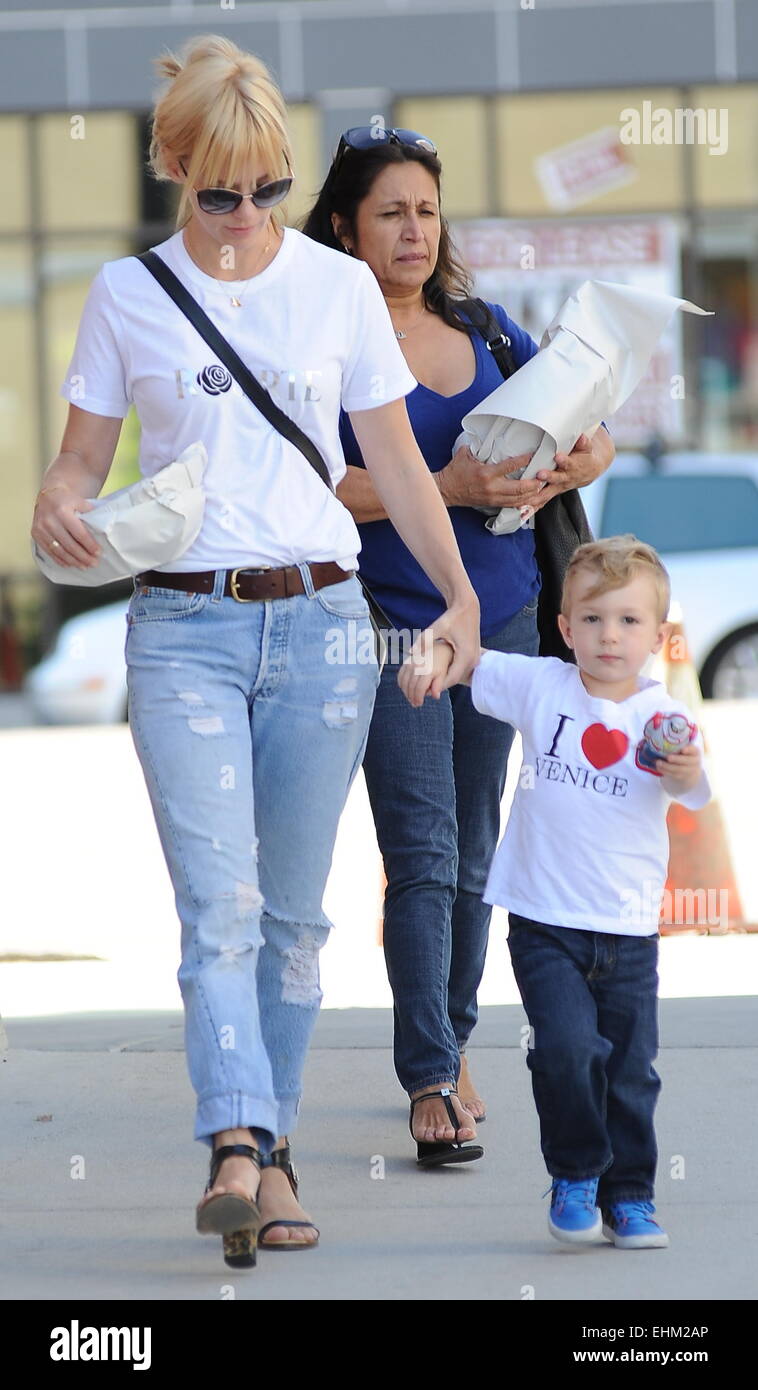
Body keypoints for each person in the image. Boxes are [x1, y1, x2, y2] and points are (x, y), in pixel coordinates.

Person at [29, 36, 481, 1268]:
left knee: (293, 918)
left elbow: (389, 458)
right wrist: (56, 497)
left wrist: (457, 597)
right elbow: (82, 458)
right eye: (216, 191)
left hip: (327, 626)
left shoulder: (335, 291)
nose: (241, 217)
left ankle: (269, 1150)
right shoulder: (130, 294)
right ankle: (235, 1136)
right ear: (172, 165)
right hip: (182, 627)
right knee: (217, 904)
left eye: (265, 190)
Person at [301, 127, 615, 1163]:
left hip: (508, 625)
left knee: (477, 858)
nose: (412, 230)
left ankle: (454, 1040)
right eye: (390, 211)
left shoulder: (482, 326)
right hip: (390, 629)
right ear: (345, 225)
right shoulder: (325, 338)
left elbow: (594, 421)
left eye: (426, 211)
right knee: (423, 855)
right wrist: (447, 488)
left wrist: (567, 464)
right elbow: (316, 484)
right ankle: (428, 1073)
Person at [403, 535, 711, 1245]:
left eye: (630, 622)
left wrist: (683, 766)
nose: (610, 636)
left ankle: (630, 1196)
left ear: (659, 637)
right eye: (594, 619)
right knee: (568, 1051)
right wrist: (434, 658)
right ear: (566, 627)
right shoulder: (543, 685)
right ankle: (575, 1172)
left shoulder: (663, 719)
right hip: (544, 922)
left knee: (632, 1074)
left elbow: (694, 790)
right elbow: (472, 660)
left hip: (629, 930)